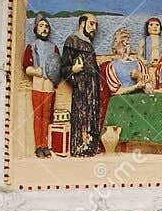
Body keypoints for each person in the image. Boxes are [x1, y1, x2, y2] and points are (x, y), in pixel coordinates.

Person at [60, 13, 103, 157]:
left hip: (93, 89)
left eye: (96, 25)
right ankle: (79, 147)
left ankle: (91, 146)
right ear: (82, 24)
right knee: (82, 117)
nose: (94, 28)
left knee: (92, 117)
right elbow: (64, 68)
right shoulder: (72, 41)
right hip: (81, 88)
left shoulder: (88, 43)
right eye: (91, 24)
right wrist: (73, 69)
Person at [22, 14, 61, 157]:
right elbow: (27, 66)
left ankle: (45, 144)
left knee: (47, 115)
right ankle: (38, 145)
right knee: (38, 115)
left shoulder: (54, 48)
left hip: (49, 84)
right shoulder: (31, 47)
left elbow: (57, 66)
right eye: (41, 26)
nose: (44, 29)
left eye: (46, 27)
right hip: (38, 83)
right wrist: (34, 70)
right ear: (36, 28)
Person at [101, 27, 146, 125]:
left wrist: (140, 76)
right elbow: (115, 91)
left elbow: (149, 87)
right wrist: (136, 87)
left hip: (141, 105)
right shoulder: (112, 66)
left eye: (127, 41)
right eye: (122, 41)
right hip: (121, 106)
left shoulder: (138, 64)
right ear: (116, 46)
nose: (126, 44)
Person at [140, 16, 162, 92]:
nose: (154, 27)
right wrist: (144, 61)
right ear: (147, 28)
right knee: (150, 79)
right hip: (149, 65)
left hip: (161, 66)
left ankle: (160, 88)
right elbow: (139, 55)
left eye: (157, 25)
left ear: (160, 28)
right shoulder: (144, 41)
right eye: (151, 25)